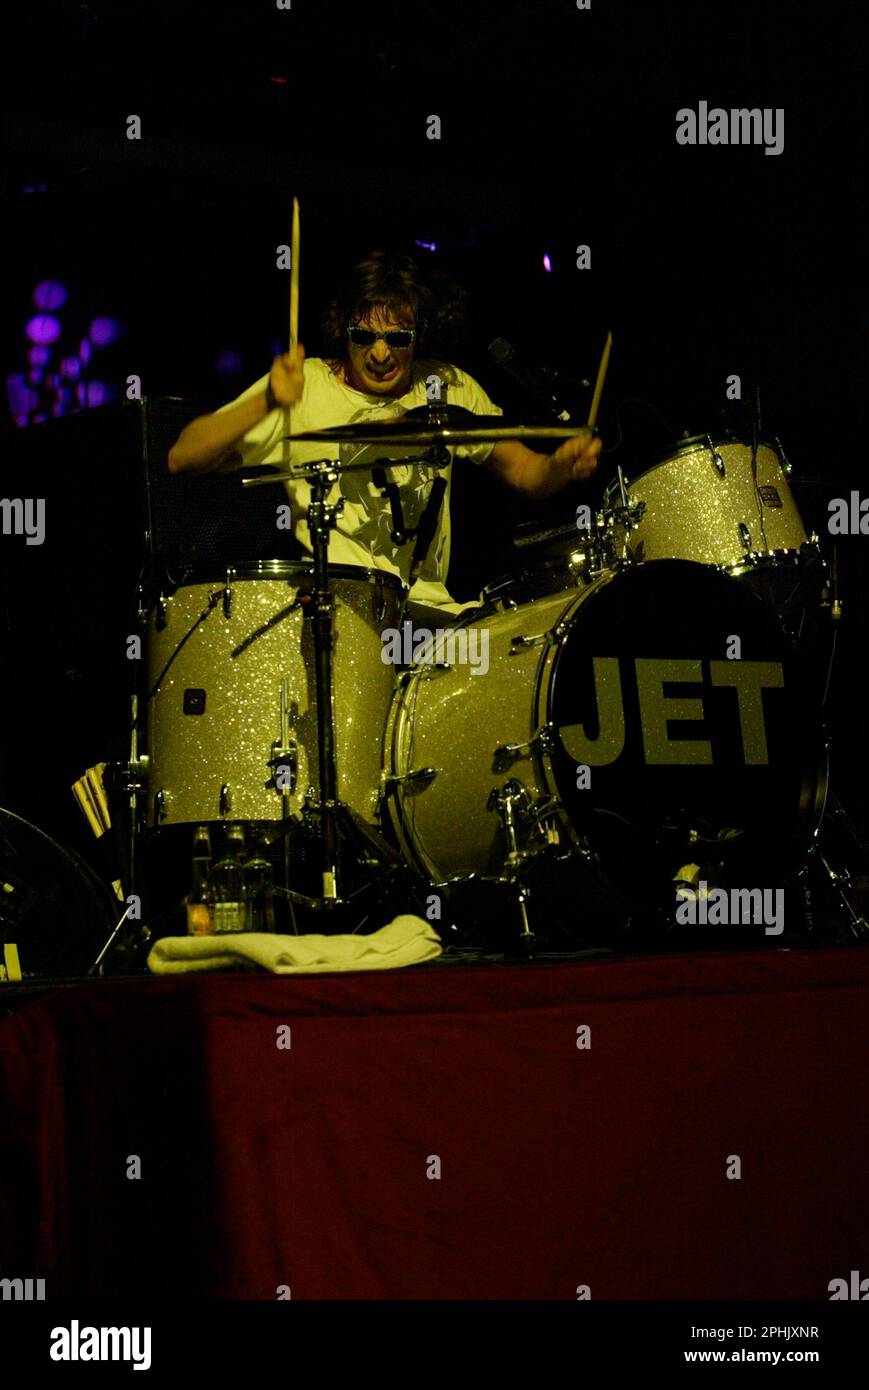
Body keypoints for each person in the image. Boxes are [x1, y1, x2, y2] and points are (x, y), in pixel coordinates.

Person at [168, 251, 601, 614]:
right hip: (341, 609)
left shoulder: (447, 387)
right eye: (363, 336)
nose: (379, 353)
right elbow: (182, 457)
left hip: (433, 613)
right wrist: (266, 401)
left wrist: (560, 466)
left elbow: (527, 473)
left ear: (419, 336)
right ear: (343, 332)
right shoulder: (308, 385)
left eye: (397, 338)